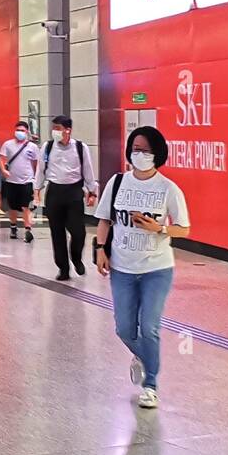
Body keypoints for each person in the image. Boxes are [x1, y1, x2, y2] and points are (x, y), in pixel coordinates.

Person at [94, 126, 189, 410]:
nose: (140, 154)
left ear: (158, 154)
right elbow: (103, 220)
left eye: (146, 150)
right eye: (136, 149)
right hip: (122, 268)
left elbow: (183, 229)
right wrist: (100, 249)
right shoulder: (118, 182)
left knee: (149, 327)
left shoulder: (168, 189)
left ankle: (151, 385)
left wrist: (158, 227)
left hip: (156, 268)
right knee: (124, 329)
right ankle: (146, 358)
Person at [36, 115, 98, 281]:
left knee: (79, 232)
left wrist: (92, 191)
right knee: (57, 233)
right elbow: (41, 169)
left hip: (74, 192)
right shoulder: (47, 147)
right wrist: (36, 189)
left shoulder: (80, 147)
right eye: (53, 128)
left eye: (58, 128)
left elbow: (88, 170)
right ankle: (63, 268)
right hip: (54, 191)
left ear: (68, 130)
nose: (54, 131)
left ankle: (76, 258)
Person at [0, 121, 40, 242]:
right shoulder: (8, 144)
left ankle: (28, 229)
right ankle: (13, 226)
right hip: (11, 181)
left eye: (22, 130)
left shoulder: (32, 147)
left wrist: (35, 180)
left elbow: (35, 164)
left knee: (26, 206)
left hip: (26, 181)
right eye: (18, 130)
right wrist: (3, 171)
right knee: (12, 207)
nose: (19, 133)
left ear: (27, 132)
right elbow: (1, 159)